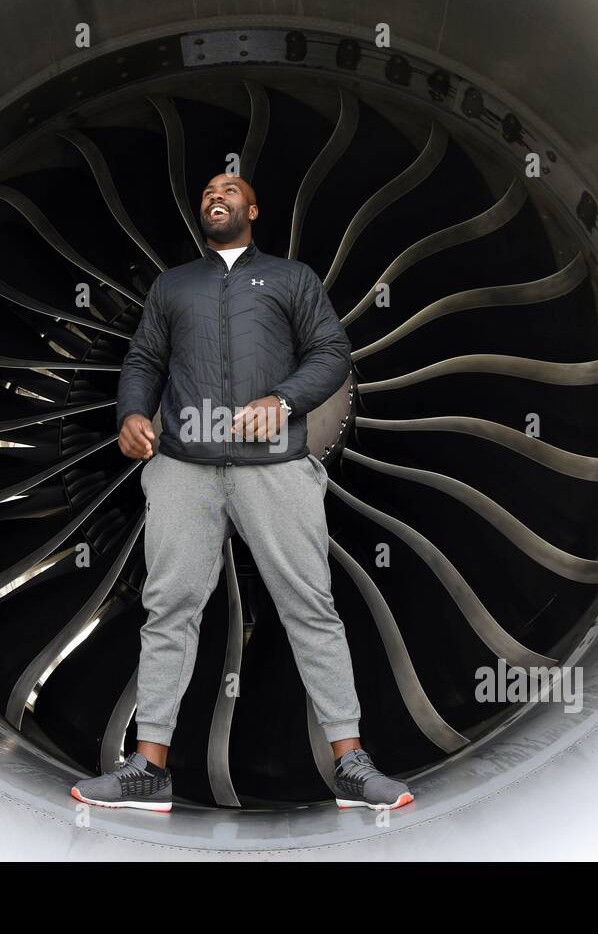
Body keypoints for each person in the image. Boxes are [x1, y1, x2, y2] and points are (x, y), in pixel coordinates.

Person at [70, 172, 413, 813]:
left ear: (252, 208)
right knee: (169, 607)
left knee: (310, 606)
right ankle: (149, 769)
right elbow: (144, 360)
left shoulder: (292, 278)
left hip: (275, 464)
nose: (215, 196)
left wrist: (282, 401)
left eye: (228, 190)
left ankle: (351, 763)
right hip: (183, 464)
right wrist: (131, 415)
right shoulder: (174, 286)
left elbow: (331, 353)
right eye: (206, 193)